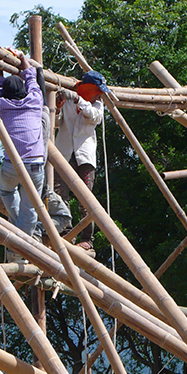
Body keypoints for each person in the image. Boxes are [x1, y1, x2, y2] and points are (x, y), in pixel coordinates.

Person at [0, 49, 45, 242]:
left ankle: (17, 231)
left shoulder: (1, 105)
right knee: (30, 206)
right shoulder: (35, 101)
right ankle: (24, 241)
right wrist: (23, 59)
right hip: (35, 164)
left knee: (6, 190)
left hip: (12, 164)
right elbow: (31, 78)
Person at [53, 70, 108, 254]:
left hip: (84, 156)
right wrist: (58, 107)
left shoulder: (97, 104)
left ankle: (86, 238)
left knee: (85, 198)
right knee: (60, 194)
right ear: (89, 88)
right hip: (64, 153)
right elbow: (55, 123)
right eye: (97, 90)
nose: (99, 94)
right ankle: (67, 232)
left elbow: (94, 117)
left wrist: (79, 101)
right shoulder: (68, 99)